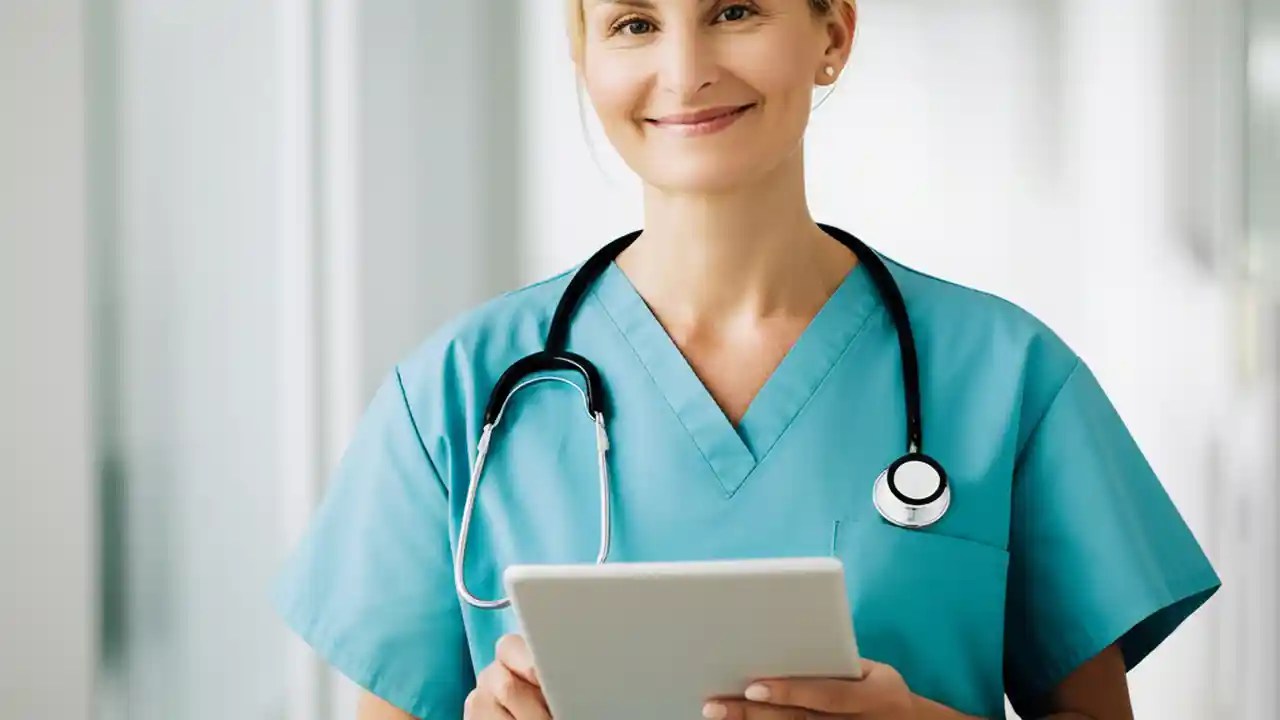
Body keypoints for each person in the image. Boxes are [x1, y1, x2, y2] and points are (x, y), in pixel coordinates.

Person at [270, 1, 1222, 718]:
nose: (684, 72)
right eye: (635, 23)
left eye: (735, 10)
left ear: (833, 32)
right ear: (581, 53)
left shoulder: (1006, 377)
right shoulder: (453, 392)